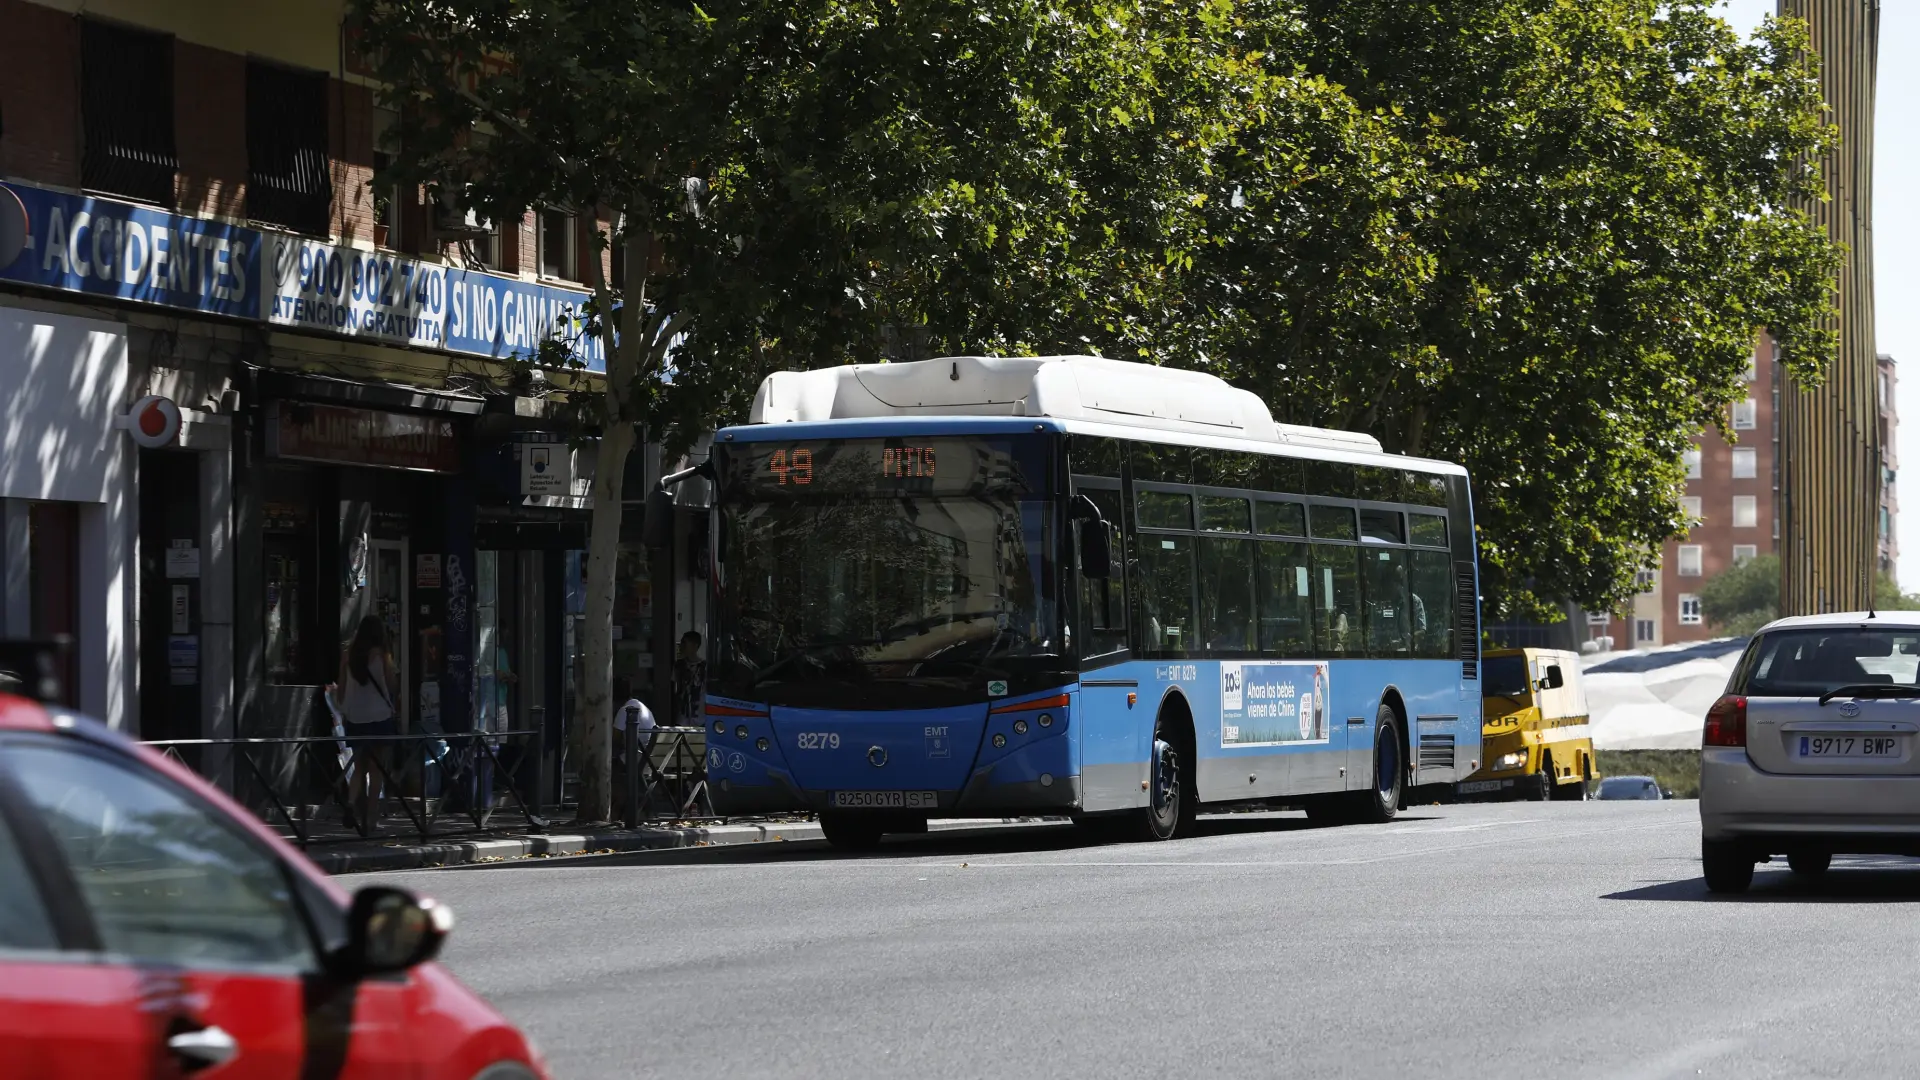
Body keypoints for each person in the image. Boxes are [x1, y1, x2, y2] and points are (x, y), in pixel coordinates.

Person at [329, 615, 400, 834]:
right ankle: (371, 818)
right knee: (376, 769)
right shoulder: (382, 655)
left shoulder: (348, 655)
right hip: (379, 717)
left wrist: (343, 707)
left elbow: (341, 687)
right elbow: (391, 685)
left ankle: (351, 804)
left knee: (359, 766)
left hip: (356, 717)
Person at [672, 631, 706, 725]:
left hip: (700, 716)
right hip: (682, 716)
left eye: (685, 643)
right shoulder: (679, 666)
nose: (682, 646)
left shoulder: (704, 667)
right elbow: (676, 689)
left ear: (695, 645)